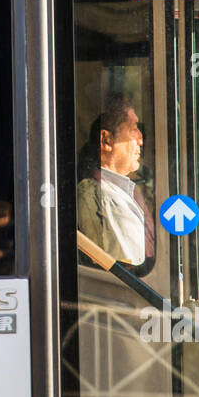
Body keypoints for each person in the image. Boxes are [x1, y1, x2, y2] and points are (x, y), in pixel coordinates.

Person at [76, 92, 154, 275]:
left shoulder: (127, 192)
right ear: (107, 140)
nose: (140, 140)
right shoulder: (94, 194)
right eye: (134, 128)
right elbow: (126, 270)